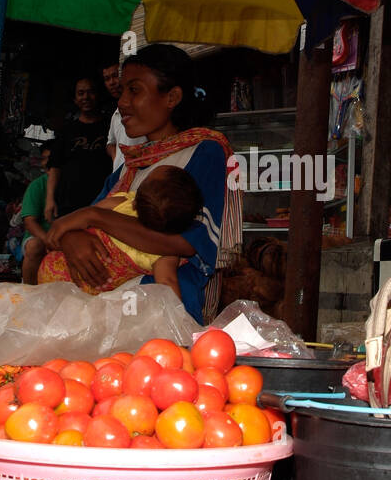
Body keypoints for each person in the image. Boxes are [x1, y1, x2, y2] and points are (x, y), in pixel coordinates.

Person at [39, 44, 240, 323]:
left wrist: (93, 215)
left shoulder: (204, 153)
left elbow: (185, 243)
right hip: (106, 310)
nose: (121, 101)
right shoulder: (130, 167)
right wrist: (73, 237)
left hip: (161, 314)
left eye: (134, 90)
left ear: (172, 97)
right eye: (121, 90)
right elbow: (83, 226)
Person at [44, 164, 204, 298]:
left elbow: (79, 220)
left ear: (135, 202)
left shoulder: (120, 203)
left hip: (53, 266)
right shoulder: (165, 253)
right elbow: (167, 284)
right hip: (81, 294)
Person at [44, 75, 111, 221]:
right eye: (80, 93)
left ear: (98, 95)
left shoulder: (110, 128)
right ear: (74, 99)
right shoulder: (66, 130)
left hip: (101, 203)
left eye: (90, 92)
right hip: (68, 204)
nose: (85, 97)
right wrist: (50, 200)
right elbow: (55, 167)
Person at [103, 59, 144, 172]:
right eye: (107, 79)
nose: (112, 82)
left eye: (115, 76)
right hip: (120, 179)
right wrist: (117, 159)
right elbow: (110, 143)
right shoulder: (115, 115)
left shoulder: (143, 109)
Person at [19, 147, 52, 286]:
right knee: (34, 246)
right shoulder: (37, 185)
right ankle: (28, 289)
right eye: (44, 159)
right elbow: (29, 222)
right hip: (41, 236)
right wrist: (49, 241)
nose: (47, 163)